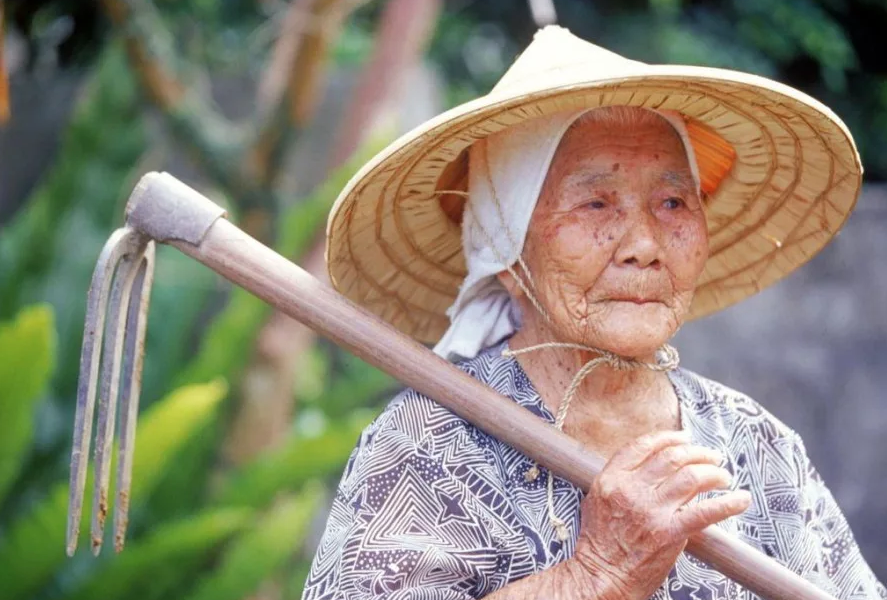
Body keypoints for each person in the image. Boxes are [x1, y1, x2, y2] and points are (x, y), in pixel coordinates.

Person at [302, 26, 886, 599]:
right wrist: (597, 575)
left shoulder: (758, 446)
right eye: (596, 202)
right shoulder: (429, 445)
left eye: (673, 202)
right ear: (507, 250)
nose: (644, 244)